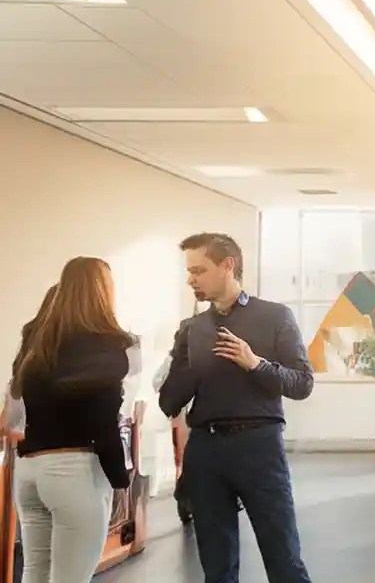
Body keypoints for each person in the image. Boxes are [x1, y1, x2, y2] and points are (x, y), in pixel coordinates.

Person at [159, 233, 314, 582]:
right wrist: (184, 360)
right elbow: (169, 401)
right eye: (189, 272)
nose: (191, 279)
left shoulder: (275, 316)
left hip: (259, 447)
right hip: (205, 450)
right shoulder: (192, 329)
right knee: (216, 565)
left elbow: (302, 384)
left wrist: (255, 364)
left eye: (199, 270)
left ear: (228, 265)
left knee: (283, 556)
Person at [11, 259, 134, 582]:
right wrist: (120, 479)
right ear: (102, 291)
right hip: (73, 472)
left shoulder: (37, 341)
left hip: (29, 472)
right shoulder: (107, 345)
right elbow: (103, 421)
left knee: (35, 571)